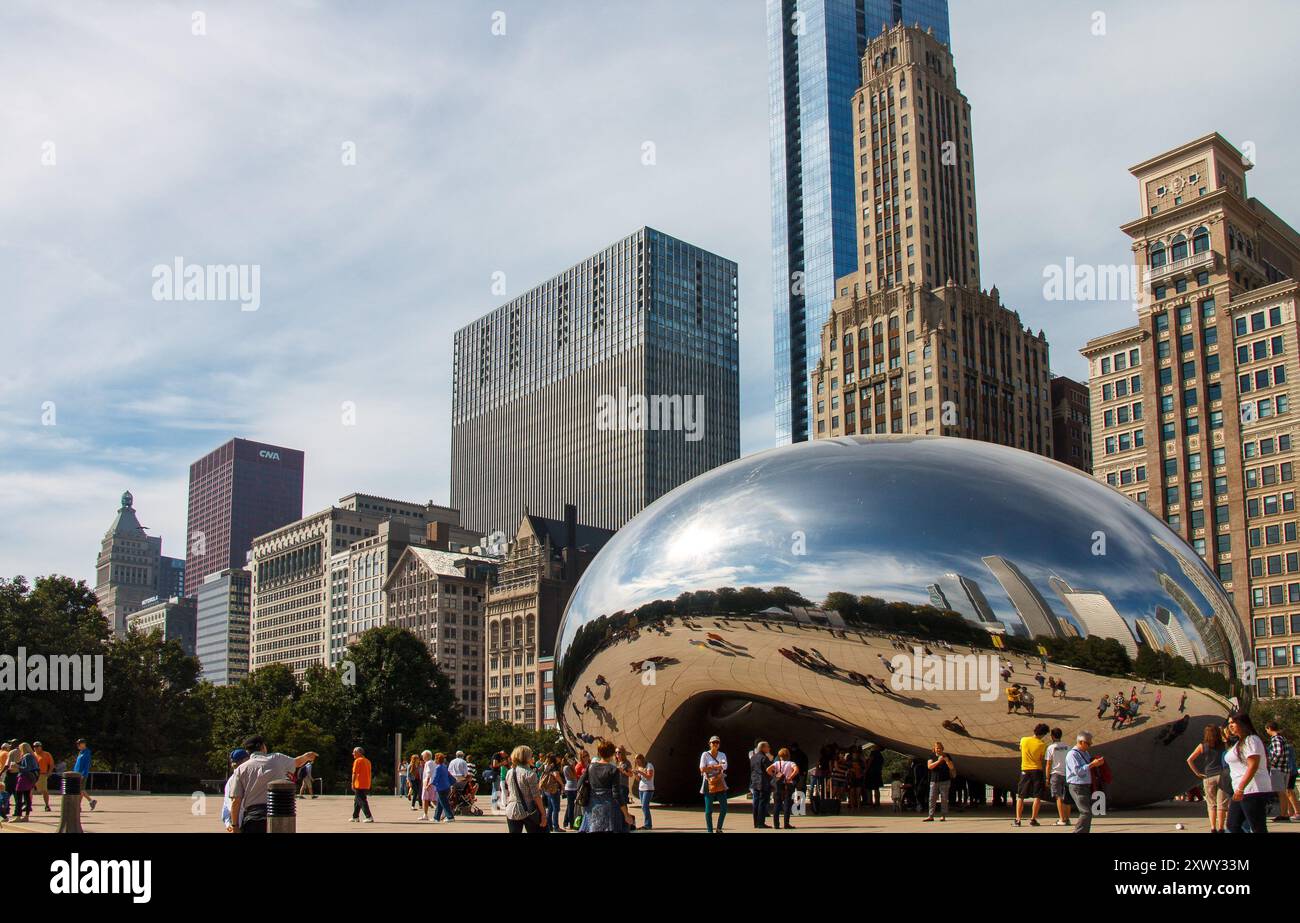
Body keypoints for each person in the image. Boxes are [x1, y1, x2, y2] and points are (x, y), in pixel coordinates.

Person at [228, 735, 318, 834]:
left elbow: (235, 801)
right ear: (262, 746)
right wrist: (307, 756)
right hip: (279, 815)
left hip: (253, 819)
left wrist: (234, 826)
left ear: (247, 751)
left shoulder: (241, 769)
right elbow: (297, 762)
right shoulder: (277, 758)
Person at [1224, 712, 1273, 833]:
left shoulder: (1251, 740)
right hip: (1241, 790)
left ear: (1243, 723)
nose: (1230, 726)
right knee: (1232, 825)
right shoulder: (1239, 742)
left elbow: (1253, 766)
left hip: (1252, 789)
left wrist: (1241, 788)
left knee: (1257, 827)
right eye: (1229, 723)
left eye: (1233, 723)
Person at [1185, 725, 1228, 833]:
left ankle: (1213, 827)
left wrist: (1198, 773)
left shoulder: (1203, 746)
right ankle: (1221, 827)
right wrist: (1222, 732)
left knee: (1211, 804)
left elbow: (1190, 760)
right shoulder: (1224, 745)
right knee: (1222, 804)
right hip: (1222, 775)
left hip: (1209, 776)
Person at [576, 739, 624, 832]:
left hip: (592, 806)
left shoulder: (591, 767)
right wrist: (625, 813)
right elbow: (616, 794)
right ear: (612, 754)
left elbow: (579, 784)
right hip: (609, 808)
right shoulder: (613, 770)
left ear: (599, 753)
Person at [1065, 732, 1105, 833]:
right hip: (1077, 786)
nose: (1090, 745)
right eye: (1088, 743)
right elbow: (1078, 771)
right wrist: (1092, 764)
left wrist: (1097, 763)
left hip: (1085, 786)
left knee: (1087, 812)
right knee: (1085, 812)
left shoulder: (1085, 753)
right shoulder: (1072, 754)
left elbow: (1088, 767)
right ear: (1081, 742)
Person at [501, 745, 547, 833]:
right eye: (531, 755)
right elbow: (536, 796)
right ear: (526, 757)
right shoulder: (530, 774)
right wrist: (543, 814)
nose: (532, 757)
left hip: (511, 809)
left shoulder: (509, 772)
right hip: (528, 810)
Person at [1014, 723, 1049, 827]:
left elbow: (1021, 749)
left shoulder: (1024, 740)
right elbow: (1041, 758)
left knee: (1021, 796)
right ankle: (1033, 819)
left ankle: (1018, 819)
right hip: (1037, 770)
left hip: (1025, 769)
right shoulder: (1042, 744)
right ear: (1043, 734)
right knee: (1037, 796)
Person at [1265, 721, 1297, 822]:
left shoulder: (1276, 739)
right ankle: (1286, 812)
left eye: (1266, 729)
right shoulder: (1283, 738)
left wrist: (1271, 762)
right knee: (1283, 791)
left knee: (1281, 792)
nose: (1267, 732)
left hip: (1278, 768)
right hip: (1286, 768)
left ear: (1269, 728)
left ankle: (1284, 814)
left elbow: (1278, 752)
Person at [700, 735, 728, 833]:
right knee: (708, 810)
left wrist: (711, 767)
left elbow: (724, 766)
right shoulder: (705, 755)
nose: (715, 744)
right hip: (709, 783)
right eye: (713, 743)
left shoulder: (722, 755)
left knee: (724, 808)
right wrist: (717, 767)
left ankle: (719, 828)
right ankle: (709, 830)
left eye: (717, 743)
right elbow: (702, 768)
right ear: (709, 744)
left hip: (720, 782)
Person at [1044, 727, 1072, 826]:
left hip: (1056, 774)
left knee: (1058, 797)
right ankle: (1067, 818)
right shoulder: (1068, 747)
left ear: (1052, 736)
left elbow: (1048, 764)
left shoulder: (1050, 748)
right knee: (1067, 798)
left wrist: (1047, 778)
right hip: (1067, 774)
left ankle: (1061, 819)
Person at [767, 748, 799, 829]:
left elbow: (768, 770)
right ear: (788, 756)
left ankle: (776, 824)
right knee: (787, 805)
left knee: (777, 804)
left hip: (778, 786)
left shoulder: (777, 763)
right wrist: (790, 777)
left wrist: (775, 775)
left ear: (780, 756)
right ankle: (786, 824)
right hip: (788, 785)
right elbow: (796, 770)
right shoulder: (791, 763)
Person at [924, 741, 954, 822]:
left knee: (944, 799)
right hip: (934, 780)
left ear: (942, 749)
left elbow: (951, 767)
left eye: (940, 748)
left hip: (945, 780)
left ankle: (943, 815)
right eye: (937, 748)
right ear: (934, 749)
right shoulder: (931, 756)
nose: (939, 750)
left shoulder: (946, 755)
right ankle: (931, 816)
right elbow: (929, 766)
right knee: (932, 798)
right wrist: (938, 761)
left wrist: (947, 761)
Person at [222, 749, 250, 832]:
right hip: (243, 824)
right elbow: (235, 803)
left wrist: (228, 823)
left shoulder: (230, 781)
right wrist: (235, 825)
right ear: (245, 761)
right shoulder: (242, 778)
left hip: (235, 823)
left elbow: (225, 807)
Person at [749, 741, 773, 828]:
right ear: (763, 748)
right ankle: (761, 823)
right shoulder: (764, 758)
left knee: (756, 803)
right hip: (763, 782)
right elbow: (769, 770)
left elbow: (752, 770)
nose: (769, 748)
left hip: (755, 782)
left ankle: (756, 823)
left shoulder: (753, 757)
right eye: (768, 747)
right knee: (762, 803)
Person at [11, 744, 38, 821]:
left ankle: (18, 816)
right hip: (29, 778)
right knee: (27, 797)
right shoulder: (31, 756)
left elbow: (26, 768)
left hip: (24, 778)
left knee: (18, 796)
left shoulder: (27, 756)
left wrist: (17, 766)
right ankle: (26, 816)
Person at [424, 752, 454, 822]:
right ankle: (436, 818)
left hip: (441, 788)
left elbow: (435, 778)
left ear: (437, 760)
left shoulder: (438, 768)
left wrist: (429, 785)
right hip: (447, 787)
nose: (434, 760)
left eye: (435, 758)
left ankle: (450, 817)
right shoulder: (444, 766)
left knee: (444, 803)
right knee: (440, 803)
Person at [538, 753, 563, 832]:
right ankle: (556, 827)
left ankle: (549, 827)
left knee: (550, 808)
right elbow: (556, 774)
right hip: (553, 789)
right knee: (556, 808)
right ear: (554, 759)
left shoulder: (546, 765)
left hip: (546, 789)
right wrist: (562, 784)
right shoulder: (553, 766)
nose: (559, 759)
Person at [73, 738, 97, 812]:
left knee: (80, 790)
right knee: (80, 790)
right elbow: (78, 764)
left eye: (79, 744)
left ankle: (79, 805)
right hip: (76, 773)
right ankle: (90, 801)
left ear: (83, 744)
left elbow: (86, 765)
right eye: (77, 744)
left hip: (82, 774)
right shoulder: (80, 752)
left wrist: (83, 774)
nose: (78, 745)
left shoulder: (87, 752)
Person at [350, 746, 374, 823]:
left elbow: (354, 773)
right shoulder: (368, 761)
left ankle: (369, 816)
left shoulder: (357, 761)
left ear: (359, 753)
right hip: (366, 784)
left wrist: (352, 783)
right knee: (357, 800)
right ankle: (355, 817)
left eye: (354, 752)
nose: (353, 753)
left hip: (359, 784)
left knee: (361, 800)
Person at [632, 753, 655, 830]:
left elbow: (649, 777)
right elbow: (639, 779)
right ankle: (647, 824)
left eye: (638, 761)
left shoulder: (649, 765)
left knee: (645, 806)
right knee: (643, 807)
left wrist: (640, 772)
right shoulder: (639, 767)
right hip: (641, 789)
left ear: (641, 759)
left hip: (648, 789)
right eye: (636, 761)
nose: (637, 763)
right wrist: (635, 774)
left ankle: (648, 825)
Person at [32, 741, 54, 813]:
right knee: (30, 790)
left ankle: (47, 805)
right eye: (34, 746)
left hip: (42, 774)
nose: (36, 748)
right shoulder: (32, 754)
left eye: (38, 746)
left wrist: (49, 772)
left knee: (44, 790)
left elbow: (51, 764)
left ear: (41, 746)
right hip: (33, 774)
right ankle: (28, 805)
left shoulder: (46, 754)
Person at [562, 753, 581, 829]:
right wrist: (573, 767)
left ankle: (565, 822)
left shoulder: (568, 767)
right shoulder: (566, 767)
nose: (573, 760)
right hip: (570, 788)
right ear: (568, 759)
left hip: (573, 788)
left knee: (569, 806)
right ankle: (571, 824)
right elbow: (573, 777)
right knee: (571, 807)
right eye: (571, 759)